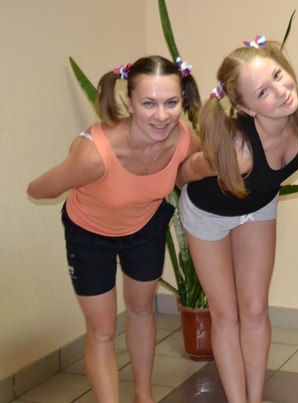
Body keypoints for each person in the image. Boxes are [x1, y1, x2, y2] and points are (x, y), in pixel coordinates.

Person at [27, 55, 201, 403]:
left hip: (145, 227)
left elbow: (194, 171)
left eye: (171, 103)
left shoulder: (184, 139)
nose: (162, 116)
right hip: (89, 235)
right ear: (129, 102)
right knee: (103, 330)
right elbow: (37, 190)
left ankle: (143, 395)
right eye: (149, 103)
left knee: (141, 308)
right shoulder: (94, 155)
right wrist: (77, 164)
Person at [176, 35, 298, 403]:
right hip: (207, 215)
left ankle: (255, 397)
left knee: (255, 308)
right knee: (226, 314)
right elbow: (184, 174)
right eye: (263, 92)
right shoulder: (238, 151)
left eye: (278, 76)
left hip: (257, 206)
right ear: (246, 108)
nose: (280, 92)